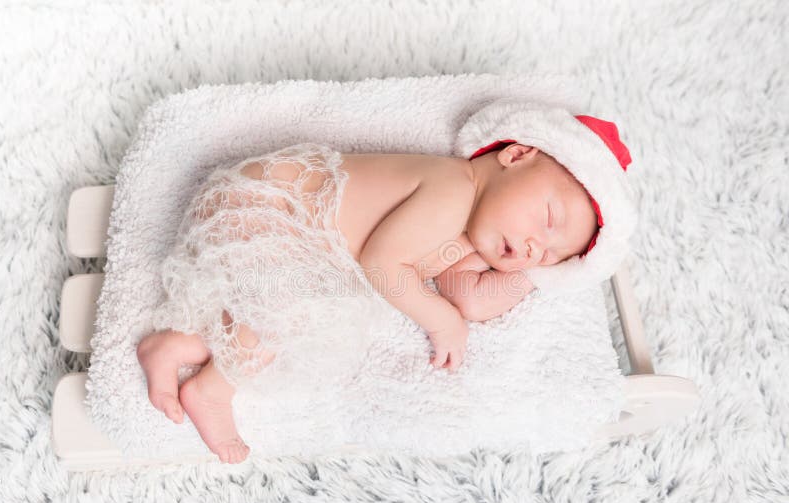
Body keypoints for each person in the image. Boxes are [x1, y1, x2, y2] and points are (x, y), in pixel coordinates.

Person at [136, 112, 630, 464]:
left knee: (288, 315)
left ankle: (176, 345)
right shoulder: (452, 187)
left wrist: (532, 275)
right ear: (517, 154)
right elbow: (382, 265)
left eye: (549, 253)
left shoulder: (468, 229)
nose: (530, 246)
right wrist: (441, 320)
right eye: (546, 220)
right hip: (266, 209)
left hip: (285, 238)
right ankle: (210, 389)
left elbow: (471, 299)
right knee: (300, 312)